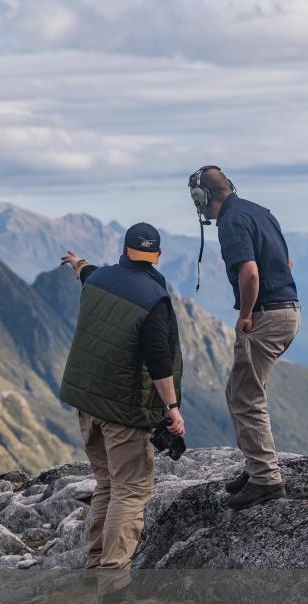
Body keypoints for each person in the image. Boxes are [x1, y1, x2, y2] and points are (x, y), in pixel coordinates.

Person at [58, 222, 185, 590]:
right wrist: (172, 408)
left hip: (87, 405)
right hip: (122, 412)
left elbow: (88, 273)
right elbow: (159, 360)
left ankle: (93, 570)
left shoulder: (100, 279)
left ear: (125, 250)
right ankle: (112, 584)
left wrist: (77, 262)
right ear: (156, 256)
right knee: (129, 491)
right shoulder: (153, 298)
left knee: (106, 484)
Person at [187, 166, 300, 510]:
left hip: (265, 316)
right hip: (288, 310)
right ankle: (256, 469)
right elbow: (287, 261)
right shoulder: (259, 212)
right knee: (239, 391)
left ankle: (266, 480)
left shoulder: (232, 223)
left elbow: (249, 272)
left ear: (202, 197)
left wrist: (246, 314)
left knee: (247, 398)